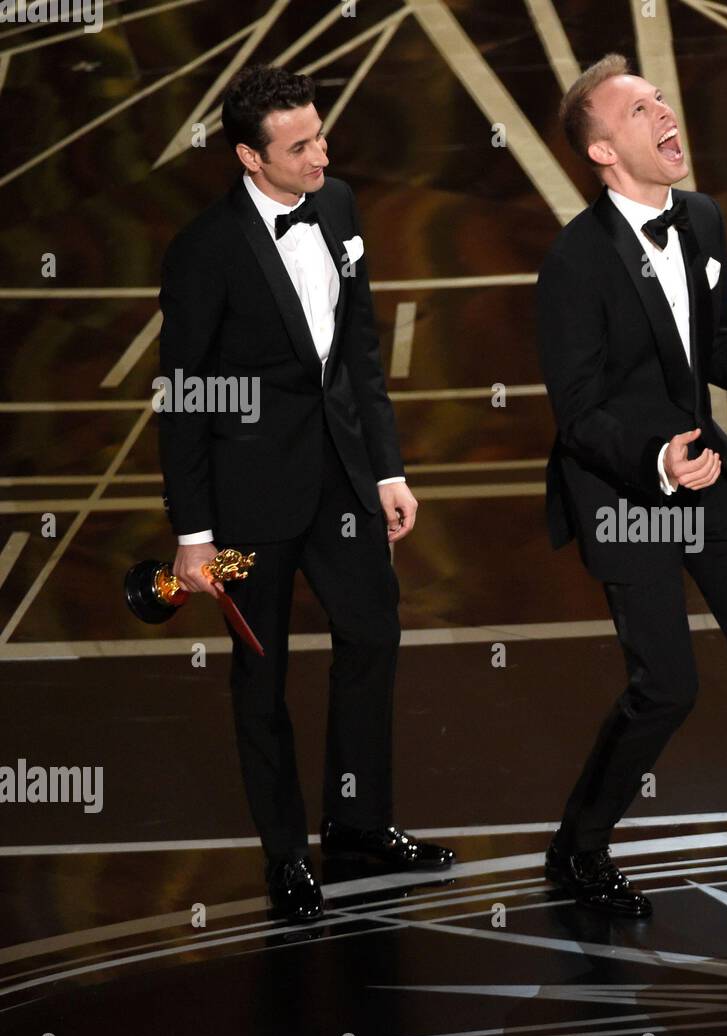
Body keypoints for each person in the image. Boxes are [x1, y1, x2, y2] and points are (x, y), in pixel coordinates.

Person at [536, 54, 727, 918]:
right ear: (603, 152)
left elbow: (710, 352)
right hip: (624, 486)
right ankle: (578, 848)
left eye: (661, 98)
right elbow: (580, 413)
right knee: (667, 685)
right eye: (639, 109)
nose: (664, 112)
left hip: (705, 470)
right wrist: (656, 462)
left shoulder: (701, 220)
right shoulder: (573, 263)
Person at [157, 64, 454, 922]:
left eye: (321, 134)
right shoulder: (204, 252)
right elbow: (182, 398)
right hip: (248, 501)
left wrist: (388, 469)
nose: (322, 154)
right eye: (300, 146)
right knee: (263, 678)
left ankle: (359, 824)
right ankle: (287, 854)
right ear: (251, 158)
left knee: (373, 636)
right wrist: (195, 532)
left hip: (344, 481)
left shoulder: (340, 205)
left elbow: (358, 351)